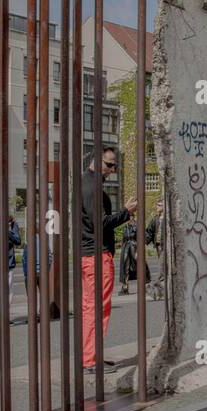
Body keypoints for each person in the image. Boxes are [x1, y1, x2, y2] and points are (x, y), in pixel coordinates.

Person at [80, 146, 140, 372]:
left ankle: (90, 356)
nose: (113, 170)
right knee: (98, 309)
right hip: (97, 256)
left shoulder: (84, 183)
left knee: (90, 308)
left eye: (115, 166)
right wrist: (126, 212)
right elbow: (100, 223)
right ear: (95, 161)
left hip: (87, 255)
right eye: (109, 164)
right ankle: (91, 360)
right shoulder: (93, 188)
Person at [118, 215, 140, 296]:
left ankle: (144, 285)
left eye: (129, 217)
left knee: (139, 267)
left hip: (134, 247)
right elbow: (124, 239)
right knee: (125, 268)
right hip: (126, 248)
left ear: (132, 217)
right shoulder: (125, 226)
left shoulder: (137, 225)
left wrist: (138, 251)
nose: (127, 218)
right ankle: (125, 287)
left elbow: (140, 238)